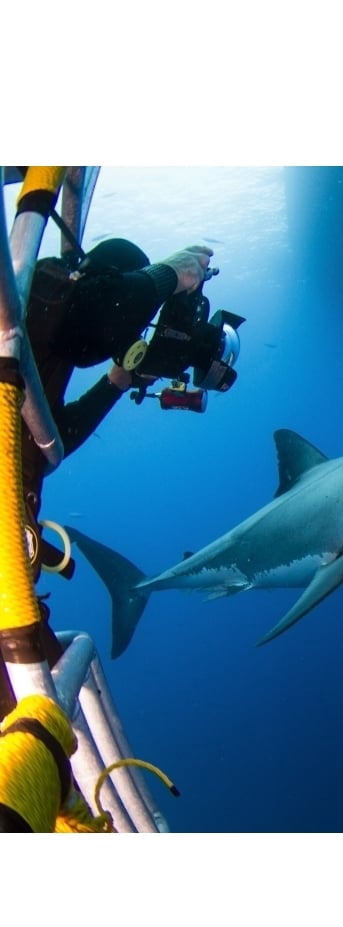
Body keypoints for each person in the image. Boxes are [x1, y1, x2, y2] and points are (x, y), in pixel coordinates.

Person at [18, 237, 215, 665]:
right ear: (92, 278)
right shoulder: (38, 289)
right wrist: (170, 275)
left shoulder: (39, 355)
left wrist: (115, 382)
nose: (124, 336)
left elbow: (50, 438)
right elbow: (97, 312)